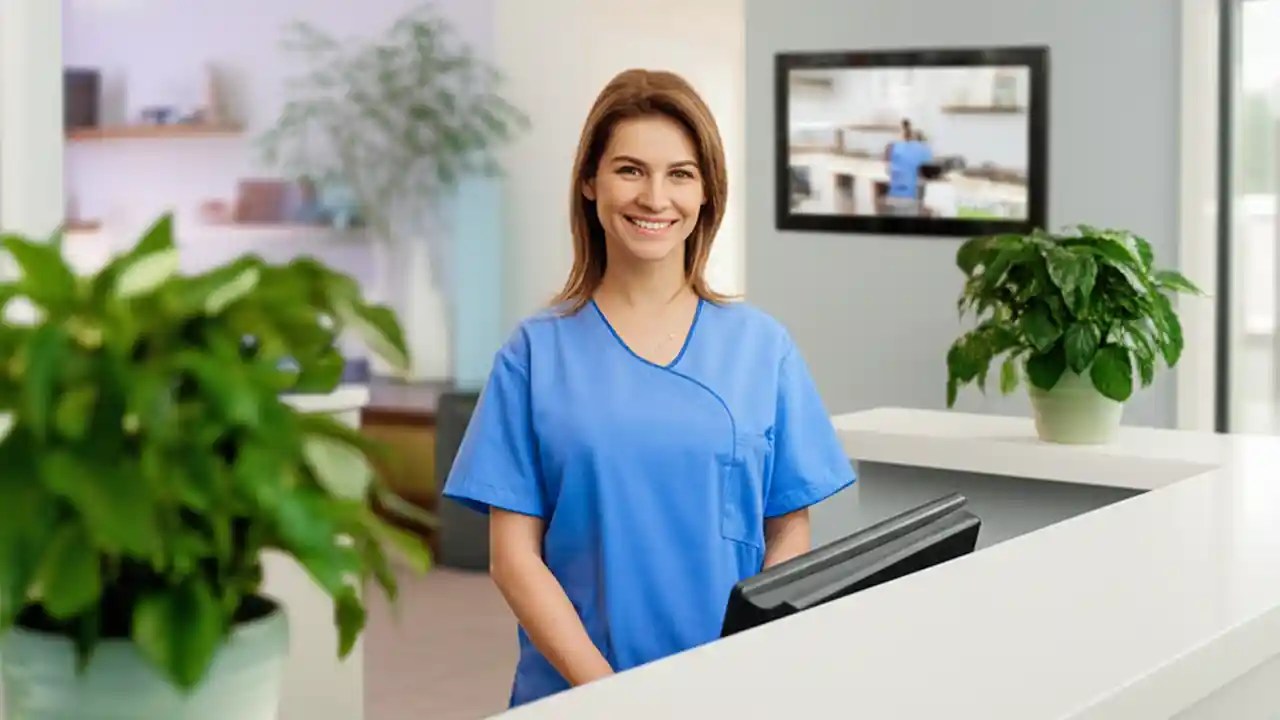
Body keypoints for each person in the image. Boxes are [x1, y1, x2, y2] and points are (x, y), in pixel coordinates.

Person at [441, 68, 857, 708]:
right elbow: (513, 558)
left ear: (706, 193)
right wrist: (615, 698)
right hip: (580, 694)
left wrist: (752, 657)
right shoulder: (535, 353)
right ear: (590, 182)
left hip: (729, 694)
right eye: (630, 170)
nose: (655, 197)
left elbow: (788, 532)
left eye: (681, 174)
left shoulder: (761, 347)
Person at [882, 118, 933, 216]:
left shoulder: (893, 146)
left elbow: (888, 169)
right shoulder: (924, 149)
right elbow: (927, 173)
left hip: (894, 196)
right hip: (912, 197)